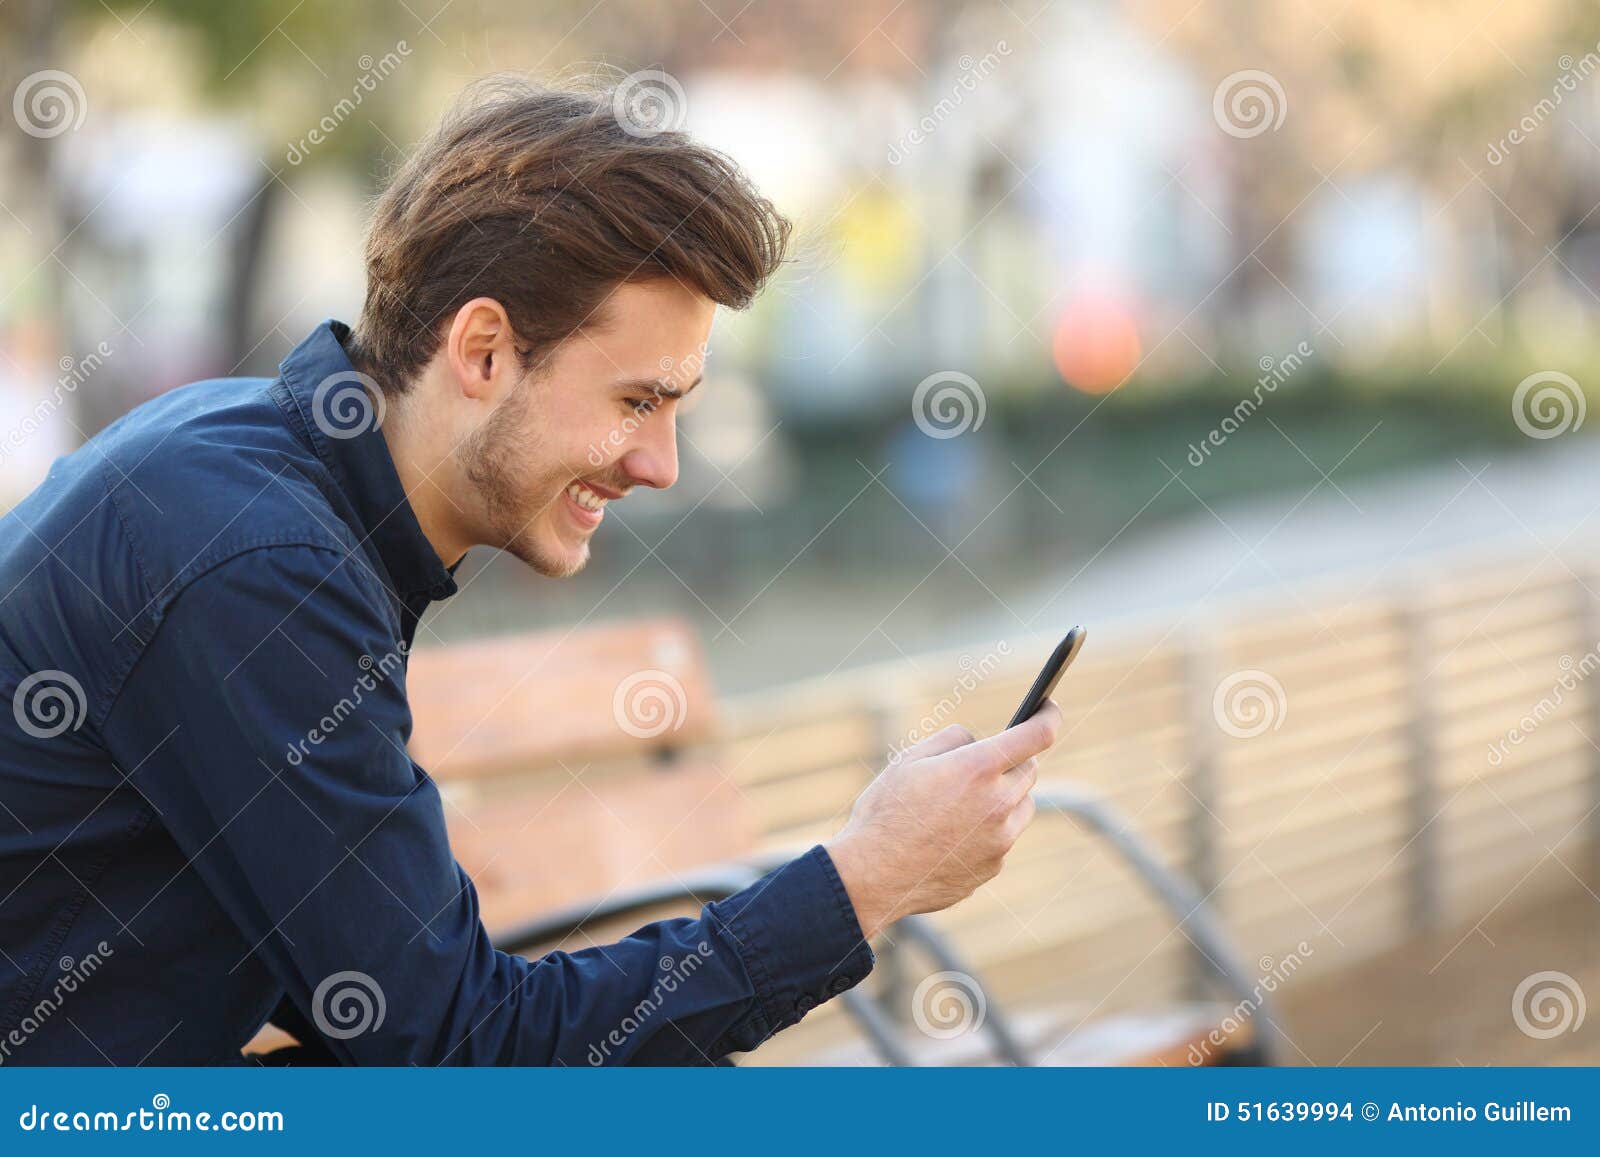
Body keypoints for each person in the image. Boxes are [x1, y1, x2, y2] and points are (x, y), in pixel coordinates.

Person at [0, 78, 1060, 1065]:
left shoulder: (263, 473)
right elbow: (464, 1049)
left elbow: (398, 1010)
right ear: (483, 352)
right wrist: (865, 880)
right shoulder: (264, 565)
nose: (660, 463)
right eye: (637, 401)